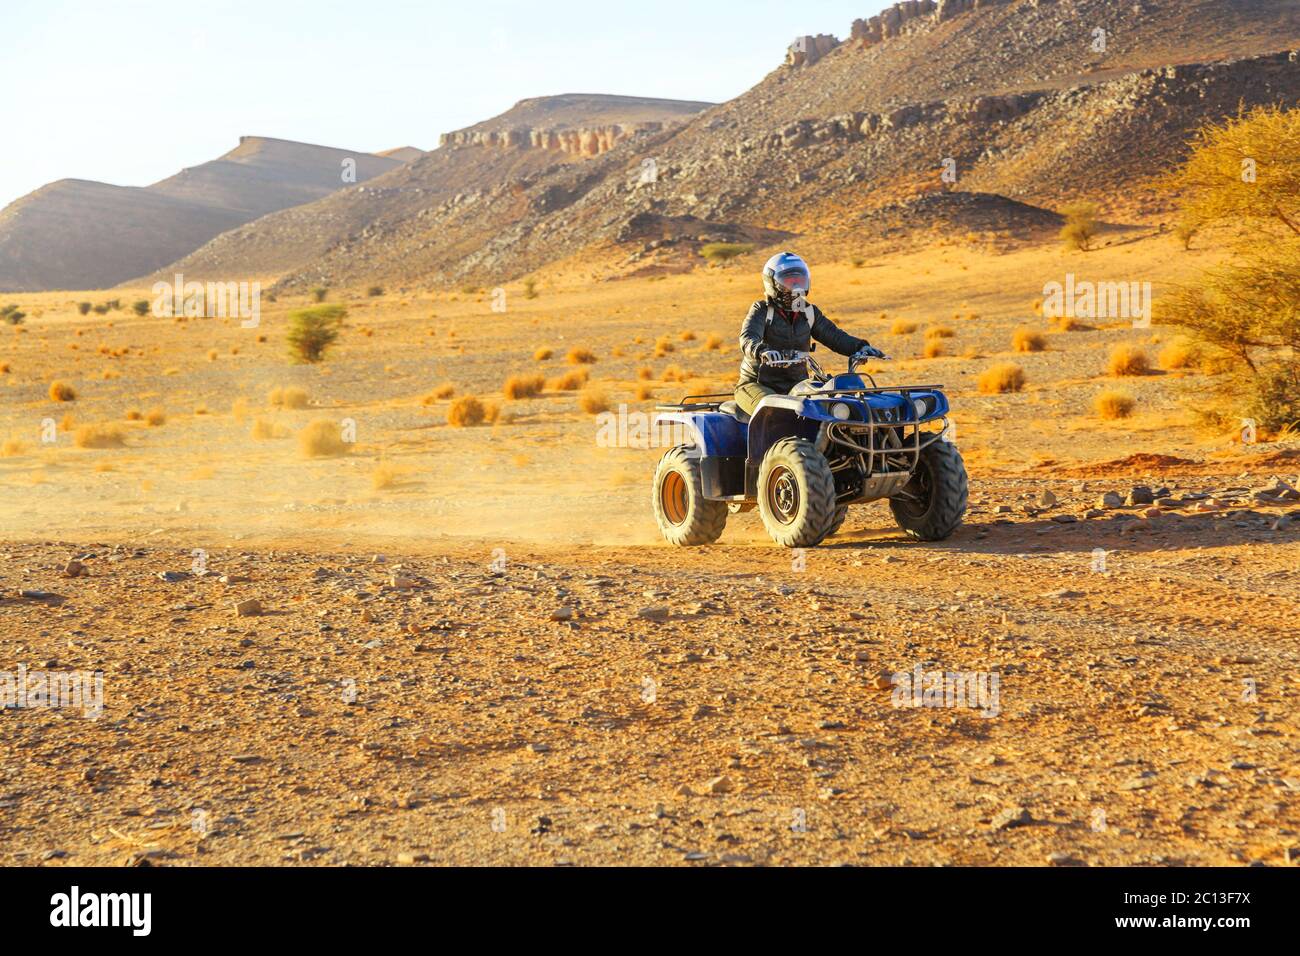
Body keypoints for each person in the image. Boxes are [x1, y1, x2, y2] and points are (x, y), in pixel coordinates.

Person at [734, 252, 878, 416]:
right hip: (757, 384)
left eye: (799, 280)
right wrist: (761, 351)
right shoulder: (762, 310)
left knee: (830, 404)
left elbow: (835, 336)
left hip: (797, 384)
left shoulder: (809, 312)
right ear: (773, 284)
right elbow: (747, 337)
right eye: (789, 281)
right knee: (777, 413)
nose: (796, 286)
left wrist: (861, 346)